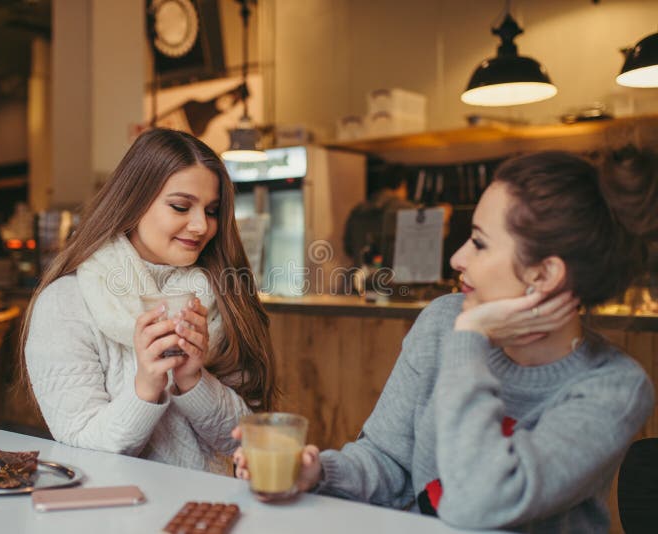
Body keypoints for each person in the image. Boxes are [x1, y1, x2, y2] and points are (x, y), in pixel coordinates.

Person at [234, 149, 657, 532]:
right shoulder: (443, 321)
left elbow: (478, 503)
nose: (457, 258)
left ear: (544, 275)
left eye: (479, 243)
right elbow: (388, 461)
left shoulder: (612, 388)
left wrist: (469, 339)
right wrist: (317, 474)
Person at [21, 128, 276, 475]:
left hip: (208, 515)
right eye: (181, 206)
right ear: (134, 201)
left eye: (213, 211)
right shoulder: (65, 305)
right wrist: (146, 387)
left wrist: (193, 380)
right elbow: (78, 445)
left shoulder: (226, 295)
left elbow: (249, 442)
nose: (202, 225)